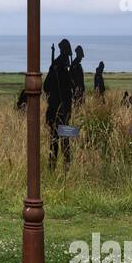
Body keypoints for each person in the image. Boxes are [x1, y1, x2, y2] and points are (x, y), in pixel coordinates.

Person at [44, 40, 74, 169]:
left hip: (58, 109)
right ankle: (61, 167)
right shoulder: (58, 69)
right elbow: (46, 87)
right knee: (59, 139)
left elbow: (46, 87)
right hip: (60, 110)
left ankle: (57, 166)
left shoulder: (57, 68)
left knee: (57, 139)